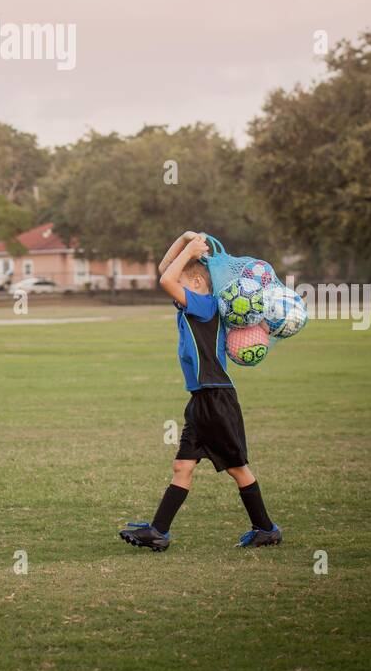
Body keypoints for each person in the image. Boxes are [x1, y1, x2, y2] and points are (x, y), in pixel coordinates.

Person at [119, 230, 281, 552]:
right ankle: (159, 532)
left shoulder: (205, 306)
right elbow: (166, 271)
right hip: (202, 398)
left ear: (194, 285)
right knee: (183, 466)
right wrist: (183, 240)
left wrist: (192, 250)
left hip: (217, 398)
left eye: (184, 281)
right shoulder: (193, 304)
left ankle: (266, 528)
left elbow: (167, 279)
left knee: (237, 468)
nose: (176, 285)